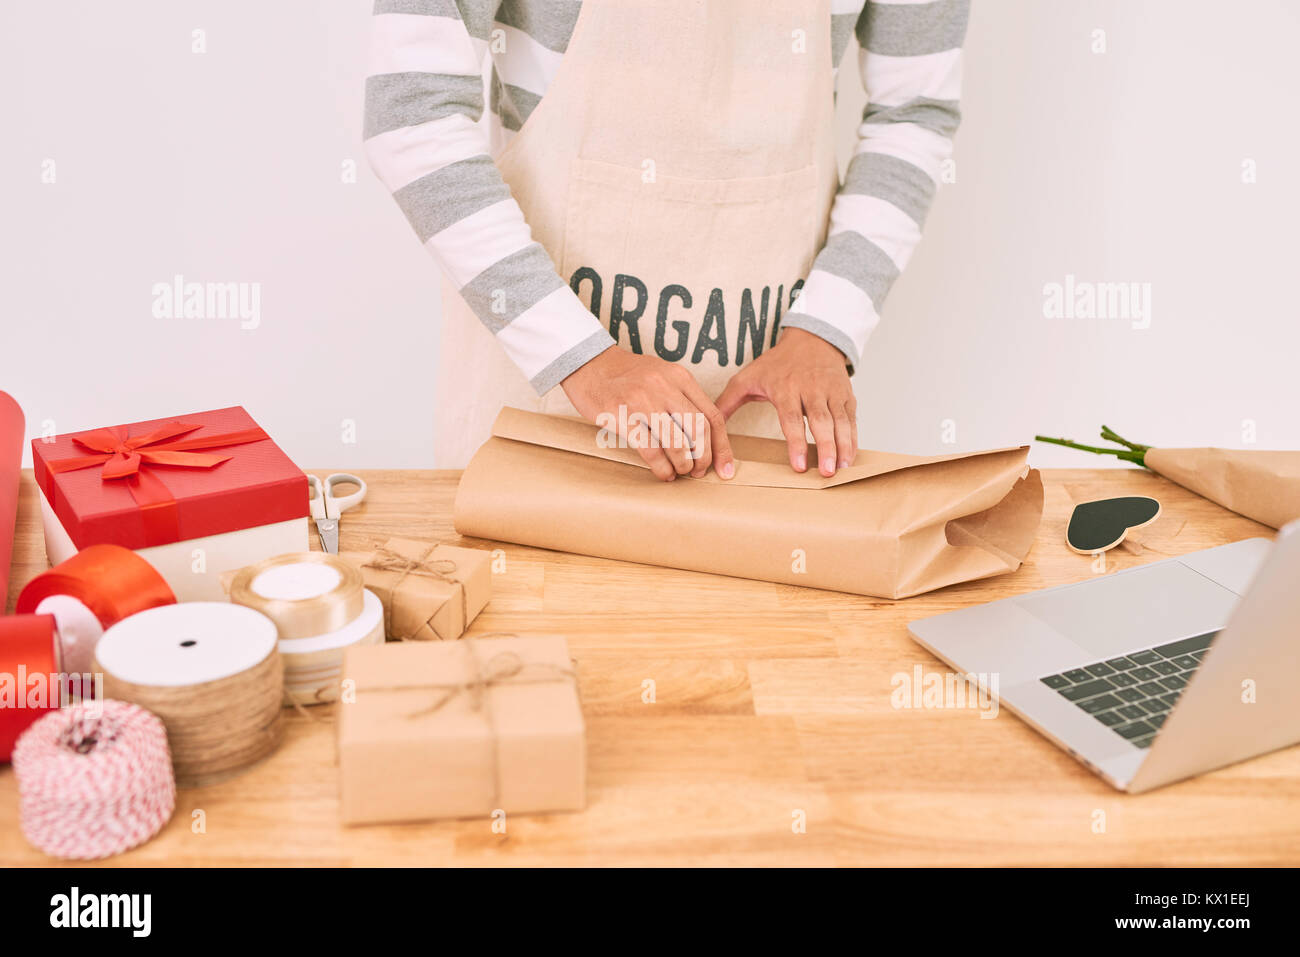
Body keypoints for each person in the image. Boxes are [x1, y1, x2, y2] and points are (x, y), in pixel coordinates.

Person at [364, 0, 969, 480]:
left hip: (759, 415)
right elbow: (412, 112)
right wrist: (584, 358)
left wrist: (825, 328)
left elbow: (913, 114)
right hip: (536, 404)